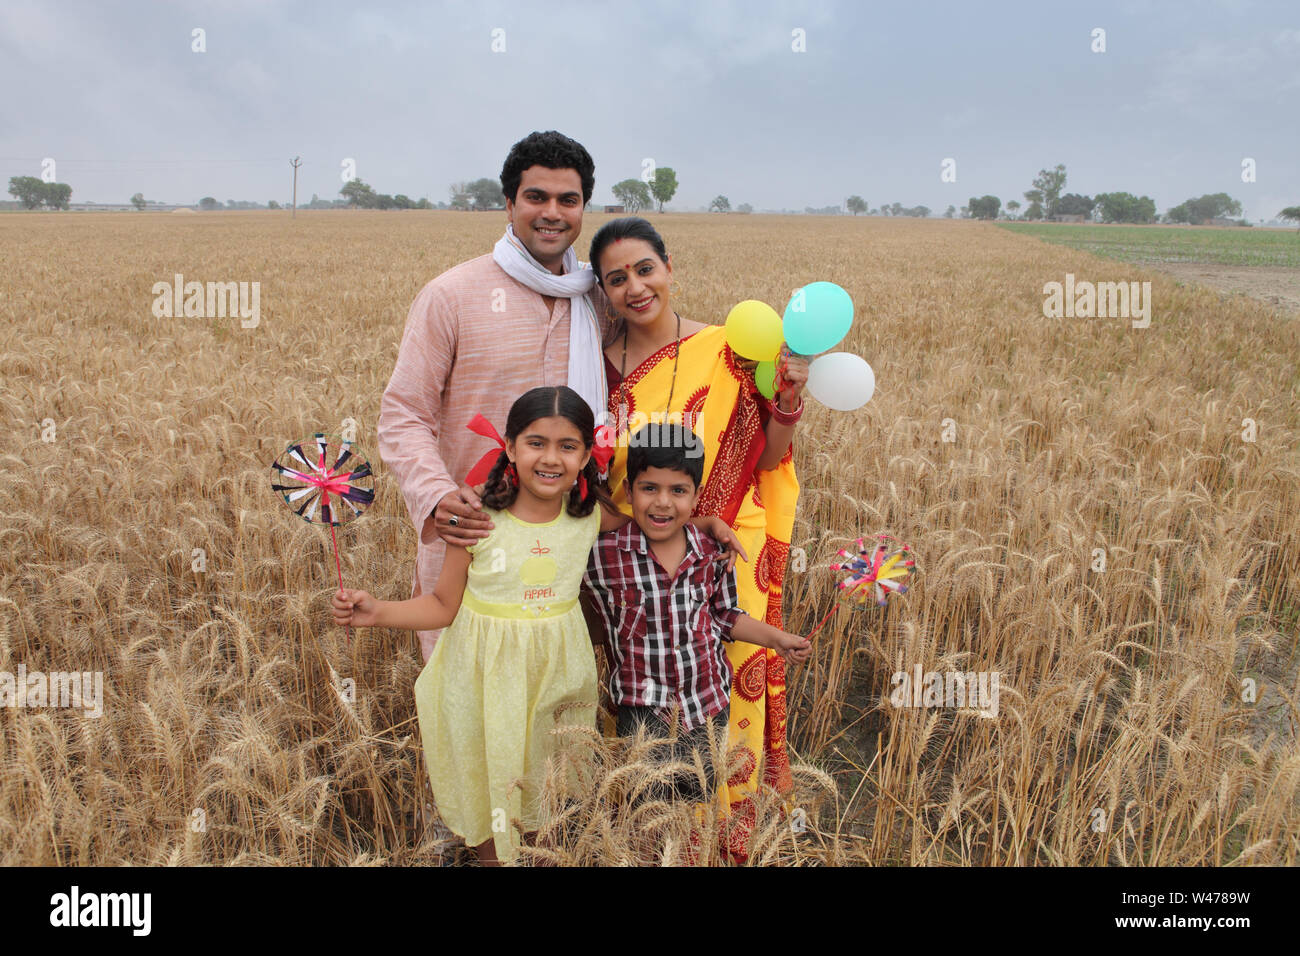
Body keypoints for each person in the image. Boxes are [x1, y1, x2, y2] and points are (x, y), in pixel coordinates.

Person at [334, 387, 743, 864]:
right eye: (536, 443)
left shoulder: (590, 515)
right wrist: (377, 611)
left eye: (568, 446)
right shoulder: (477, 519)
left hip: (557, 678)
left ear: (587, 455)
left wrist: (708, 523)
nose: (551, 458)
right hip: (485, 678)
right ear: (509, 447)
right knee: (492, 781)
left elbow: (654, 521)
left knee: (549, 789)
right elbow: (443, 605)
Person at [587, 217, 809, 856]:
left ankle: (724, 834)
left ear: (669, 265)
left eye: (644, 269)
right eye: (616, 278)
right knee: (644, 683)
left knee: (724, 673)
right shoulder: (595, 366)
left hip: (727, 543)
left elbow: (765, 460)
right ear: (603, 291)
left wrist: (788, 405)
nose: (634, 287)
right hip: (632, 551)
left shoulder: (727, 347)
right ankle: (656, 833)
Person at [377, 131, 610, 664]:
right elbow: (404, 413)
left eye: (567, 200)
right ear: (509, 203)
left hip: (573, 542)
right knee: (463, 700)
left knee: (557, 697)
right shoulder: (451, 296)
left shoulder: (598, 297)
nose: (552, 212)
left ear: (582, 209)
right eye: (536, 197)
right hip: (473, 536)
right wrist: (438, 497)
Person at [583, 423, 810, 810]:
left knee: (695, 801)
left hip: (707, 706)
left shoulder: (712, 550)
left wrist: (778, 639)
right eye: (649, 488)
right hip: (643, 711)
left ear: (696, 496)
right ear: (628, 492)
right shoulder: (603, 555)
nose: (663, 503)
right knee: (646, 807)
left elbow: (725, 615)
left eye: (678, 491)